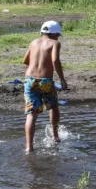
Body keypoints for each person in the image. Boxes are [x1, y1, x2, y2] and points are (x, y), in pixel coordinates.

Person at [22, 21, 68, 153]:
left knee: (31, 115)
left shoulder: (33, 42)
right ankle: (55, 136)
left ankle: (29, 147)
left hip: (29, 80)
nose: (58, 37)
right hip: (46, 81)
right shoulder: (54, 43)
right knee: (53, 107)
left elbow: (25, 60)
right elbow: (55, 60)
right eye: (58, 35)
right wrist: (62, 80)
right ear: (53, 34)